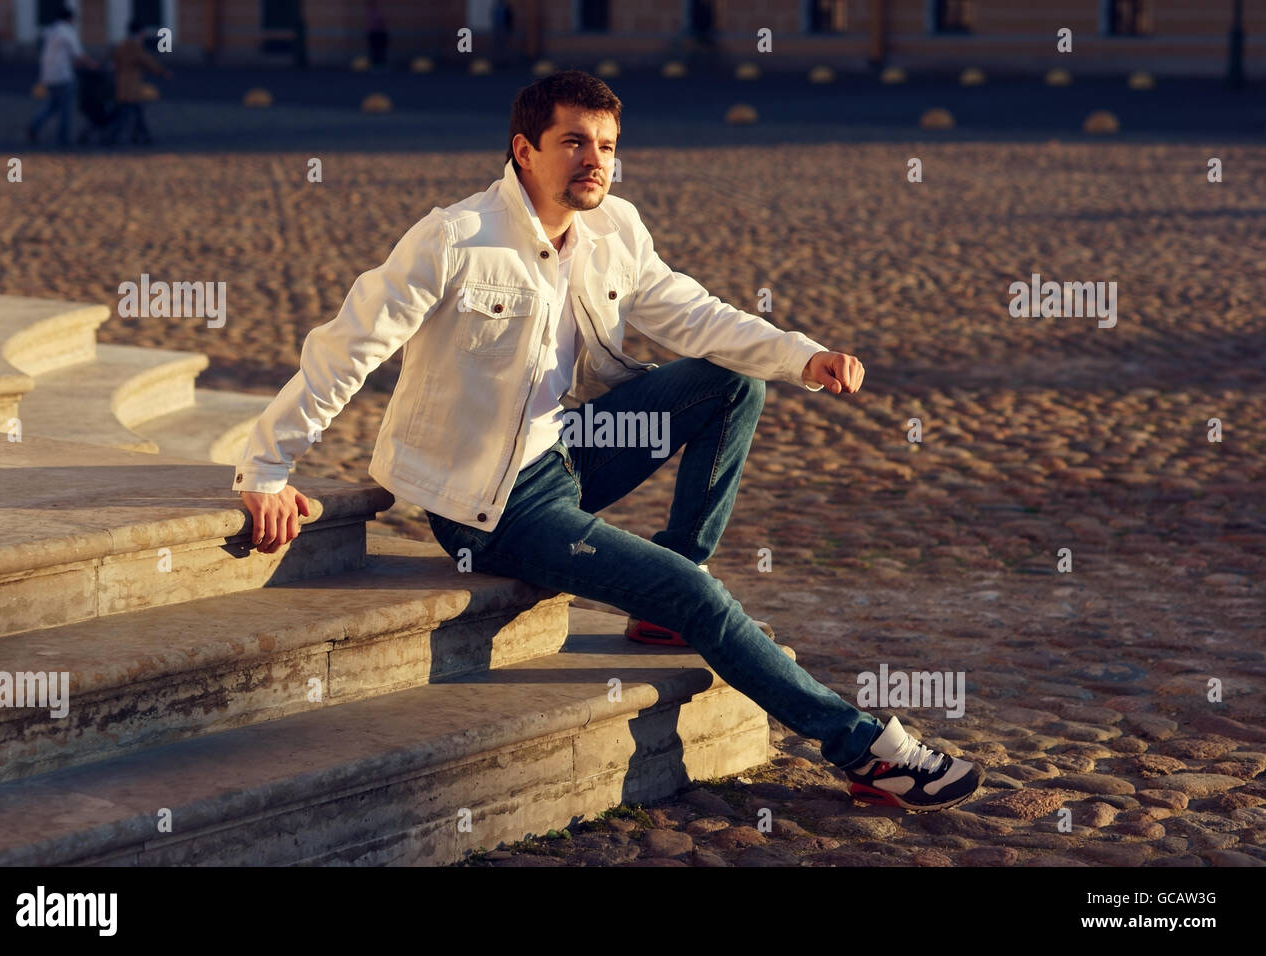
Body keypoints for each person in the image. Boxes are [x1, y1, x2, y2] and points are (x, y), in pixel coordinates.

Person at [233, 71, 985, 812]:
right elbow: (348, 347)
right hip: (492, 505)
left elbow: (696, 315)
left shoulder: (614, 228)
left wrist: (802, 357)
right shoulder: (456, 239)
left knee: (729, 381)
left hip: (572, 448)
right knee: (700, 597)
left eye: (607, 144)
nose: (596, 159)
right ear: (524, 150)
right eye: (574, 142)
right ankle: (863, 750)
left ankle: (666, 598)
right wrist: (267, 467)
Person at [26, 6, 98, 146]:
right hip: (63, 75)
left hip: (48, 75)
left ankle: (34, 125)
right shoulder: (67, 32)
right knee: (66, 108)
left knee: (52, 105)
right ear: (69, 19)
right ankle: (63, 138)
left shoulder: (51, 31)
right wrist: (93, 65)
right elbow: (79, 54)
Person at [107, 18, 172, 146]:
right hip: (131, 85)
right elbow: (148, 62)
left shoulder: (122, 45)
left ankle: (137, 135)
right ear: (141, 32)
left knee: (129, 111)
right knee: (131, 112)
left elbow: (115, 62)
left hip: (121, 82)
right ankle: (135, 135)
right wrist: (163, 72)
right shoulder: (135, 47)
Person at [365, 0, 388, 70]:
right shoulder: (370, 13)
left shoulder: (377, 13)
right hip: (373, 33)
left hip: (378, 33)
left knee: (379, 50)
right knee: (374, 50)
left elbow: (382, 23)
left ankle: (380, 65)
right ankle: (374, 65)